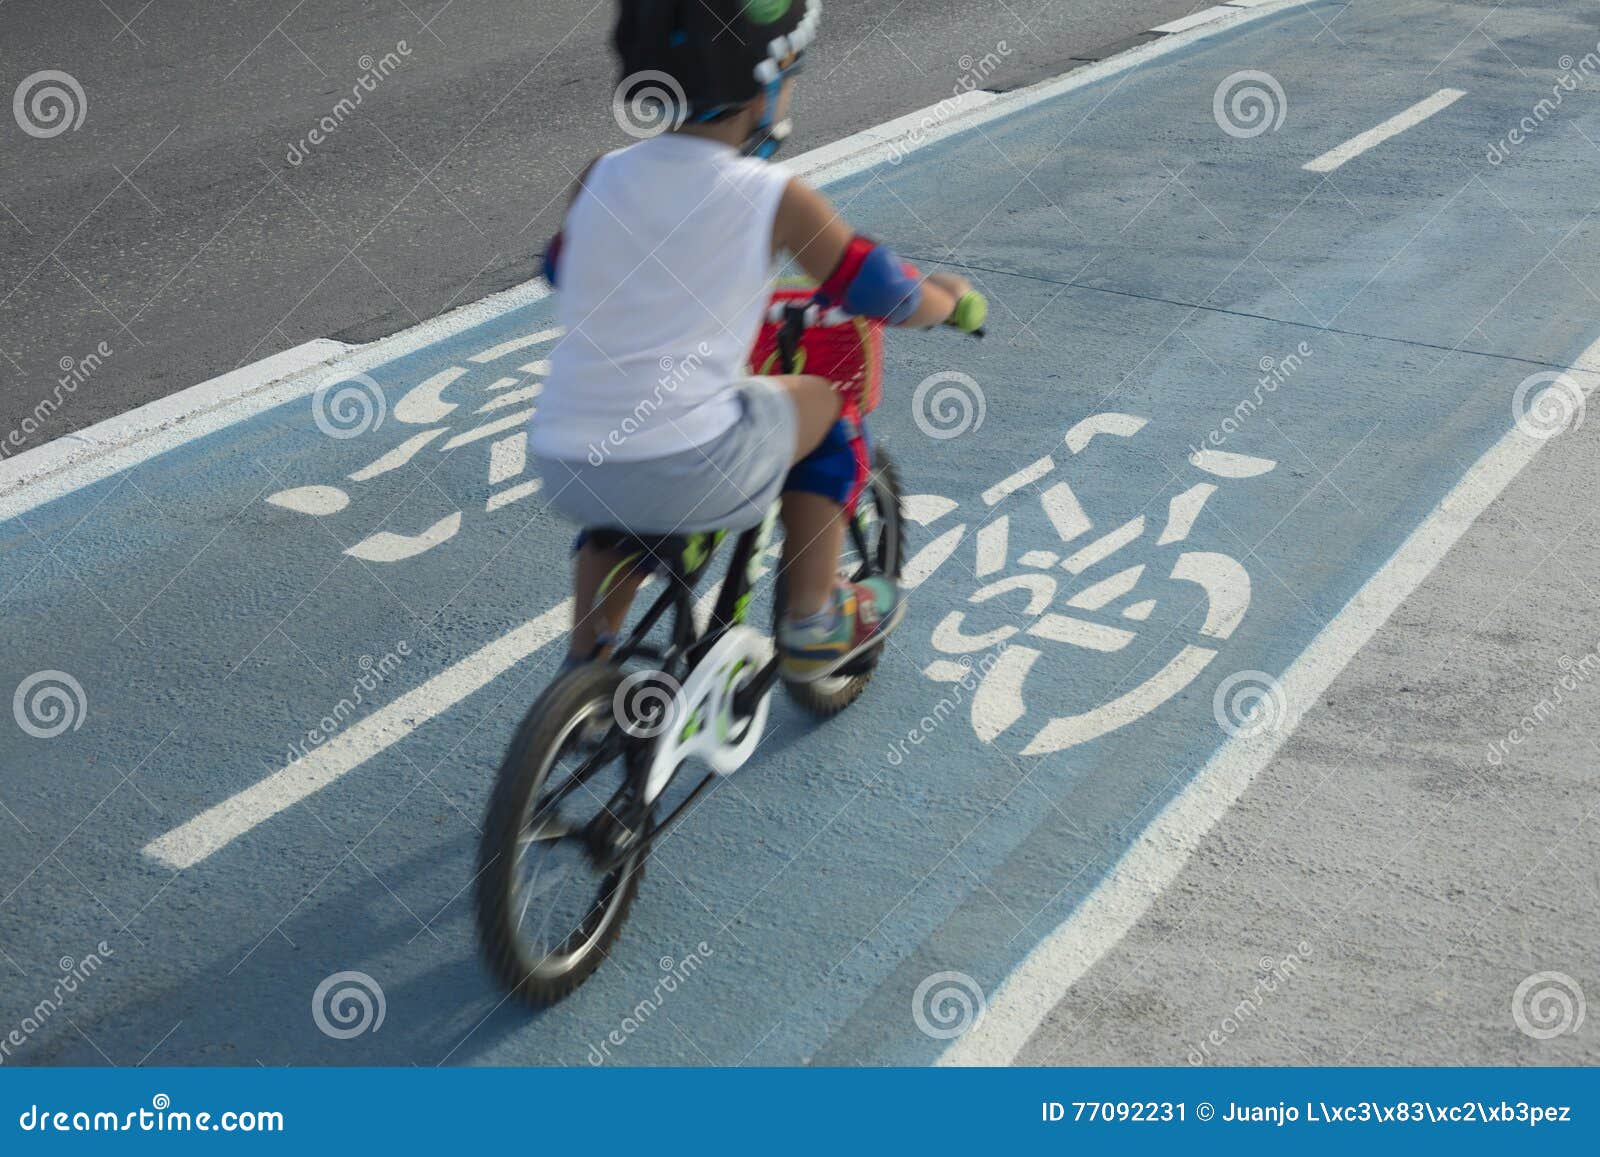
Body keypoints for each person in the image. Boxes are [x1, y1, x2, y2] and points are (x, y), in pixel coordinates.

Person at [529, 0, 974, 683]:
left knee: (620, 510)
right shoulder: (773, 194)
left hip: (564, 454)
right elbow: (879, 288)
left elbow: (562, 266)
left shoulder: (601, 175)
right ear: (767, 80)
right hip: (690, 458)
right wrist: (947, 299)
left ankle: (585, 668)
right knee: (825, 408)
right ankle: (812, 616)